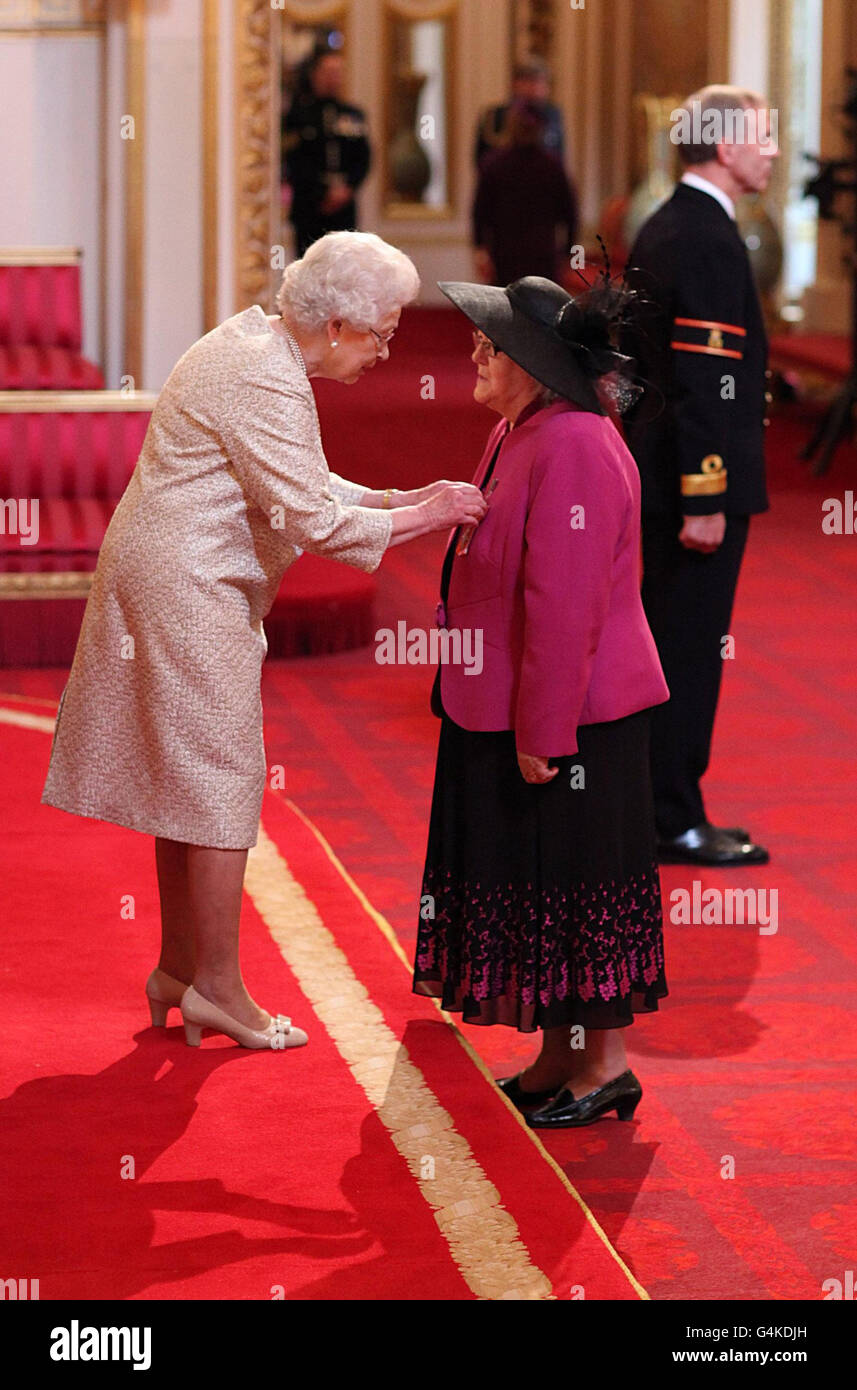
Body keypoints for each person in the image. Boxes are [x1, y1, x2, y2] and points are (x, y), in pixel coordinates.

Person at [41, 231, 486, 1052]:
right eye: (382, 332)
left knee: (185, 778)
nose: (387, 350)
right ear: (339, 323)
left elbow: (300, 481)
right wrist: (428, 515)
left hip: (173, 574)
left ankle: (179, 969)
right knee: (218, 777)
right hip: (187, 587)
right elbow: (310, 517)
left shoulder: (258, 345)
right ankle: (217, 988)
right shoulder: (263, 373)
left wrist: (402, 494)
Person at [412, 274, 670, 1128]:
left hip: (575, 716)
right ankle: (559, 1055)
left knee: (575, 881)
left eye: (491, 343)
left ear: (535, 362)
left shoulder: (576, 446)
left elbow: (566, 605)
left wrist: (543, 728)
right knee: (537, 885)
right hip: (514, 700)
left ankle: (603, 1068)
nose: (476, 353)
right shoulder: (523, 427)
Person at [621, 85, 778, 867]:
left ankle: (662, 808)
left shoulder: (674, 222)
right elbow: (702, 382)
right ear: (722, 145)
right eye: (763, 135)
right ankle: (672, 819)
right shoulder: (706, 236)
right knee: (685, 650)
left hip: (662, 474)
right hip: (688, 485)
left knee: (673, 645)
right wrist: (706, 495)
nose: (774, 151)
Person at [473, 100, 578, 285]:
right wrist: (568, 252)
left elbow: (480, 212)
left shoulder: (494, 164)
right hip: (537, 254)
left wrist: (480, 249)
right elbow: (570, 215)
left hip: (509, 253)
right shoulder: (553, 166)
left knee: (506, 309)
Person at [282, 48, 370, 257]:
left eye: (337, 72)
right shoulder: (297, 116)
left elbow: (364, 157)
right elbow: (293, 160)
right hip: (309, 205)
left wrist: (347, 188)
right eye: (328, 72)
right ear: (315, 74)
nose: (333, 78)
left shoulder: (352, 115)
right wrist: (322, 191)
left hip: (344, 208)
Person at [475, 55, 565, 170]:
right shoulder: (494, 116)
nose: (536, 88)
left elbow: (559, 155)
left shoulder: (553, 115)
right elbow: (481, 157)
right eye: (530, 81)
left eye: (541, 82)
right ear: (516, 84)